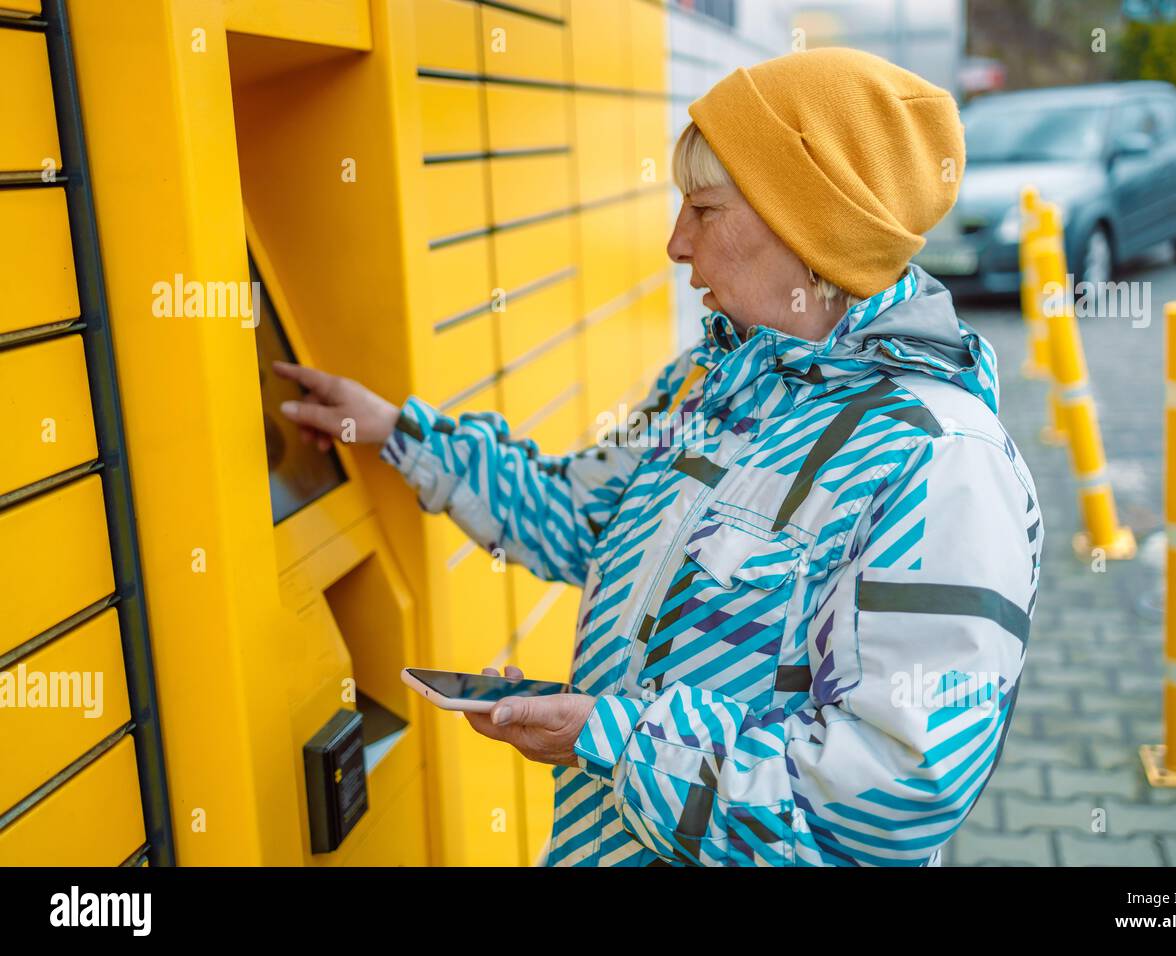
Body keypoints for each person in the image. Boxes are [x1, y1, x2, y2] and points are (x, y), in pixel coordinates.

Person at [276, 47, 1043, 867]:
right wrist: (395, 432)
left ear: (811, 230)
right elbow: (576, 518)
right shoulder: (705, 384)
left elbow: (890, 796)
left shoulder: (942, 463)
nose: (675, 244)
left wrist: (615, 740)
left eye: (704, 209)